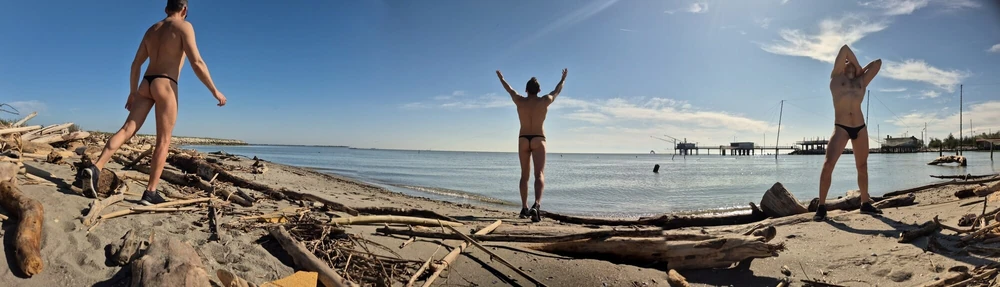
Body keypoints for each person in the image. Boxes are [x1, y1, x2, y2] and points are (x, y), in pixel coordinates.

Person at [79, 0, 226, 205]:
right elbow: (197, 62)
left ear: (166, 9)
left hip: (145, 83)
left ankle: (96, 167)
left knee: (127, 129)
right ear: (184, 10)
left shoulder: (151, 30)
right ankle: (150, 192)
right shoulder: (185, 26)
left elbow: (136, 63)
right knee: (163, 141)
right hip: (166, 83)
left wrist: (132, 92)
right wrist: (214, 90)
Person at [814, 45, 881, 221]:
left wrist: (861, 69)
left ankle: (865, 204)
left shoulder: (861, 82)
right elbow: (844, 48)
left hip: (860, 127)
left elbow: (878, 63)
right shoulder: (836, 78)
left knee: (862, 166)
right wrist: (856, 64)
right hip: (841, 127)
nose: (849, 64)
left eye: (851, 63)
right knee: (828, 165)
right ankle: (821, 207)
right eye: (847, 62)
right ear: (840, 66)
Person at [495, 69, 567, 222]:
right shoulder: (544, 100)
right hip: (539, 138)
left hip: (523, 138)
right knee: (539, 174)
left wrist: (502, 78)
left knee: (524, 175)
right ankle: (537, 205)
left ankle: (524, 207)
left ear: (526, 90)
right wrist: (563, 79)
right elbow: (557, 91)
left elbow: (509, 90)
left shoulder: (519, 100)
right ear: (539, 90)